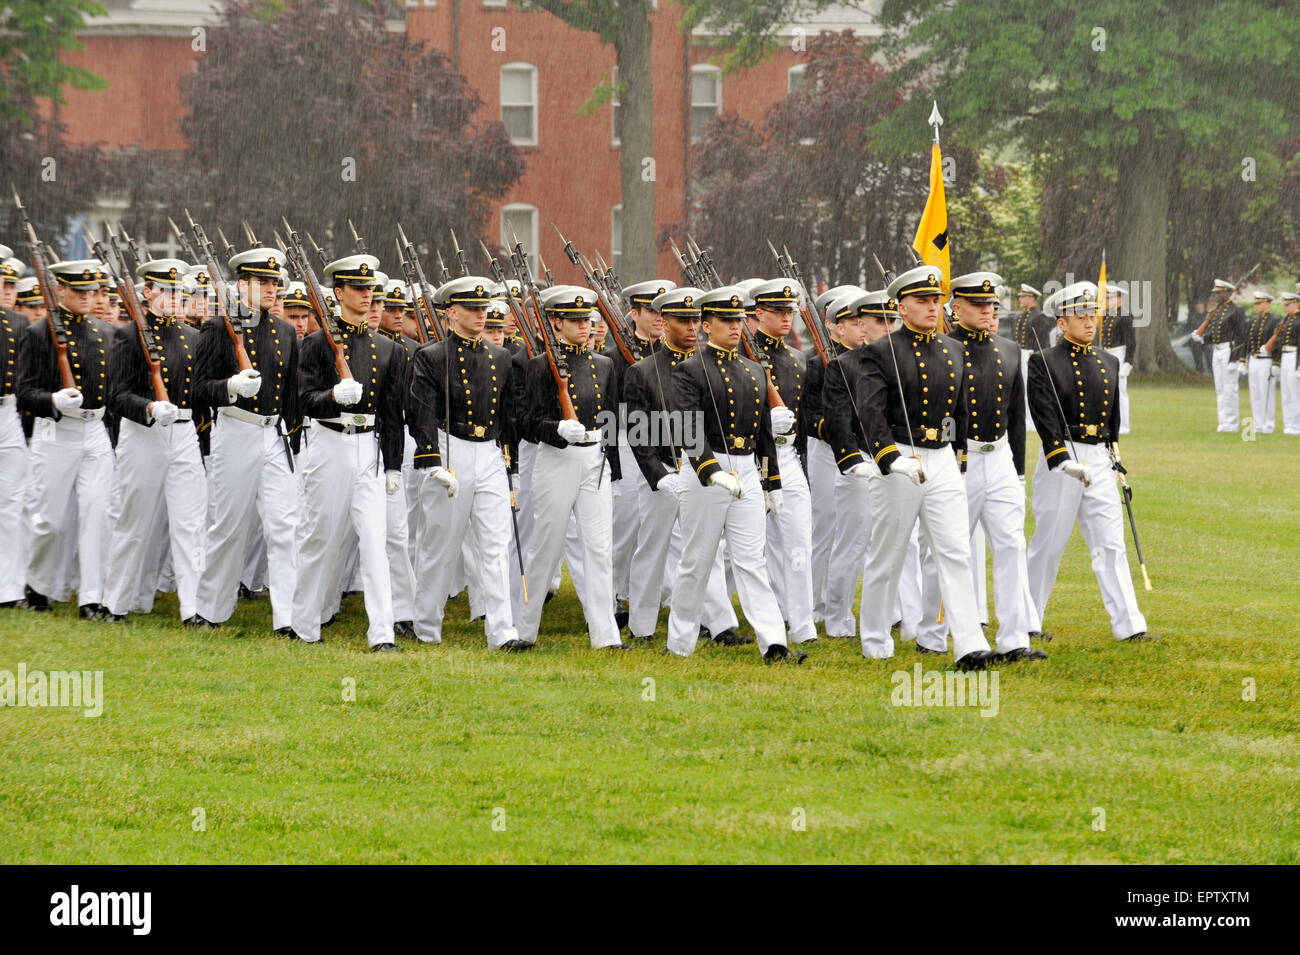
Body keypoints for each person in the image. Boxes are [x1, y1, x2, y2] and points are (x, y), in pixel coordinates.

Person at [851, 266, 994, 670]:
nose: (933, 307)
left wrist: (957, 454)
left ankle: (969, 642)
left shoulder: (953, 349)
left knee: (954, 551)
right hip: (898, 456)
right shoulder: (879, 352)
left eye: (936, 300)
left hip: (942, 458)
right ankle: (876, 638)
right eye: (923, 301)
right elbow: (870, 411)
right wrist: (889, 459)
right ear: (901, 306)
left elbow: (959, 412)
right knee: (889, 553)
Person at [666, 286, 803, 662]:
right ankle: (680, 642)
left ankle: (774, 643)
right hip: (705, 472)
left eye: (738, 319)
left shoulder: (754, 370)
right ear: (707, 325)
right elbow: (686, 428)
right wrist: (710, 471)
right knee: (696, 559)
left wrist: (771, 481)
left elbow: (762, 434)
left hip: (745, 470)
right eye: (726, 320)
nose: (734, 326)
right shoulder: (690, 370)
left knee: (751, 560)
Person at [1025, 281, 1151, 642]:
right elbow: (1043, 415)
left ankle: (1130, 625)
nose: (1088, 320)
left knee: (1111, 543)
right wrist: (1059, 459)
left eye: (1092, 312)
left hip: (1097, 456)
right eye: (1079, 314)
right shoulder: (1043, 362)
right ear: (1061, 322)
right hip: (1063, 455)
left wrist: (1115, 461)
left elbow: (1112, 419)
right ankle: (1030, 619)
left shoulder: (1109, 361)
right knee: (1049, 544)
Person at [290, 254, 404, 651]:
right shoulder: (317, 343)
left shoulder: (388, 349)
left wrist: (393, 466)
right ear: (339, 293)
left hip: (368, 448)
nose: (367, 293)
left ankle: (382, 633)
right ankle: (305, 623)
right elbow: (303, 400)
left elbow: (392, 413)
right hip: (330, 443)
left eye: (370, 287)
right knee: (319, 536)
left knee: (376, 542)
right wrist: (332, 396)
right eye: (358, 288)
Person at [192, 246, 302, 633]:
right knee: (229, 527)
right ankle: (210, 610)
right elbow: (198, 390)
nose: (272, 289)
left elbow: (290, 393)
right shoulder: (217, 326)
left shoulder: (286, 331)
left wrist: (293, 437)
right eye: (264, 282)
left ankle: (288, 619)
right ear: (242, 284)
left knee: (285, 527)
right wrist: (230, 387)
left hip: (272, 436)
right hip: (235, 430)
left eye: (274, 282)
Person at [622, 286, 739, 643]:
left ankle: (719, 624)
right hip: (665, 470)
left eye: (694, 319)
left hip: (701, 469)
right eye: (682, 319)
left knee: (708, 550)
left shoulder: (709, 366)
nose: (691, 326)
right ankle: (641, 625)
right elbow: (638, 434)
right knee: (653, 549)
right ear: (664, 321)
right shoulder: (643, 372)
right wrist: (658, 477)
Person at [409, 276, 521, 649]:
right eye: (472, 309)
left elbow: (508, 417)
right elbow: (422, 413)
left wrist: (513, 467)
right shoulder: (432, 356)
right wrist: (431, 461)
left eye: (483, 308)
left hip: (488, 451)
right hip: (450, 446)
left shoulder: (501, 358)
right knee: (440, 547)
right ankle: (427, 627)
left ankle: (502, 632)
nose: (480, 315)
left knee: (495, 545)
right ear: (451, 313)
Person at [512, 284, 625, 651]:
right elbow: (525, 422)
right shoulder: (539, 365)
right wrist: (556, 429)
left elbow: (610, 421)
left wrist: (615, 472)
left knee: (598, 548)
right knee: (544, 547)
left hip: (595, 460)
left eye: (587, 319)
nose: (585, 326)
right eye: (575, 320)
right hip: (557, 459)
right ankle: (524, 629)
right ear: (555, 322)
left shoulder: (604, 365)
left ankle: (605, 636)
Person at [944, 271, 1044, 660]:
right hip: (959, 457)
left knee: (1011, 544)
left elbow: (1015, 415)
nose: (990, 312)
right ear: (958, 308)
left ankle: (1016, 638)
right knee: (953, 549)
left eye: (993, 305)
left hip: (999, 455)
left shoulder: (1009, 349)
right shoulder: (942, 347)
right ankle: (936, 631)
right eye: (980, 305)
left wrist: (1018, 470)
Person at [102, 258, 206, 624]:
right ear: (147, 292)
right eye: (167, 290)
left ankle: (193, 607)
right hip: (143, 434)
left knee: (190, 523)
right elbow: (116, 396)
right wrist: (148, 407)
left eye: (180, 292)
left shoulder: (192, 337)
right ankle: (114, 603)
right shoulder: (128, 335)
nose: (176, 298)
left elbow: (201, 391)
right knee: (134, 521)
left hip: (183, 433)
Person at [16, 259, 117, 617]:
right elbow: (24, 392)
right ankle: (39, 585)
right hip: (56, 432)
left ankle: (92, 597)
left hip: (94, 431)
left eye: (92, 291)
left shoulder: (105, 333)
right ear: (60, 290)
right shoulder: (39, 332)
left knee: (98, 513)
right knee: (49, 520)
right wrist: (52, 400)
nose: (89, 298)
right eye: (79, 291)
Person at [749, 278, 817, 646]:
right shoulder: (743, 357)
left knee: (797, 545)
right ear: (758, 314)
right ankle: (763, 615)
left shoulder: (796, 360)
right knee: (748, 550)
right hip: (753, 459)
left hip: (788, 457)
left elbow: (803, 417)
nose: (786, 318)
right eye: (778, 311)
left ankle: (803, 624)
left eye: (789, 311)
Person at [606, 279, 671, 629]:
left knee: (669, 526)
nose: (660, 317)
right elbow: (610, 411)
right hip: (628, 441)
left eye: (664, 311)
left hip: (668, 441)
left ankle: (667, 595)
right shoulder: (615, 355)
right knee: (626, 524)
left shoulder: (671, 351)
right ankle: (615, 593)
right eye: (651, 311)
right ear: (634, 313)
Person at [1191, 279, 1247, 432]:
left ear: (1227, 293)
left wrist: (1237, 359)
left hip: (1229, 351)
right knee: (1220, 389)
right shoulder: (1217, 310)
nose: (1215, 295)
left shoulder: (1236, 311)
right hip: (1217, 351)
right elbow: (1217, 334)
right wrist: (1203, 338)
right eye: (1215, 292)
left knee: (1230, 389)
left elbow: (1241, 336)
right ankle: (1223, 422)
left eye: (1219, 292)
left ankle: (1232, 424)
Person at [1100, 285, 1136, 434]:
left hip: (1119, 353)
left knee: (1120, 391)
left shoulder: (1125, 316)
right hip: (1107, 354)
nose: (1109, 300)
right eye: (1108, 297)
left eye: (1112, 298)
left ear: (1120, 299)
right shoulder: (1108, 315)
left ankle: (1124, 425)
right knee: (1106, 391)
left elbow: (1131, 342)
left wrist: (1128, 362)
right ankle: (1110, 422)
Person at [1243, 290, 1279, 434]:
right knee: (1255, 392)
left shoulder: (1275, 320)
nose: (1256, 306)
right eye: (1255, 303)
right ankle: (1258, 424)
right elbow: (1248, 341)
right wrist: (1244, 361)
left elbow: (1277, 342)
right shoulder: (1253, 320)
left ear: (1267, 304)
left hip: (1266, 360)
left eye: (1259, 303)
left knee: (1267, 393)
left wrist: (1276, 362)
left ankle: (1269, 424)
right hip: (1254, 359)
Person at [1275, 291, 1300, 435]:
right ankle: (1288, 424)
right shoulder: (1287, 320)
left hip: (1295, 355)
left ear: (1297, 303)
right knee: (1286, 392)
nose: (1286, 307)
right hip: (1286, 356)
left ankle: (1296, 425)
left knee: (1295, 393)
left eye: (1288, 304)